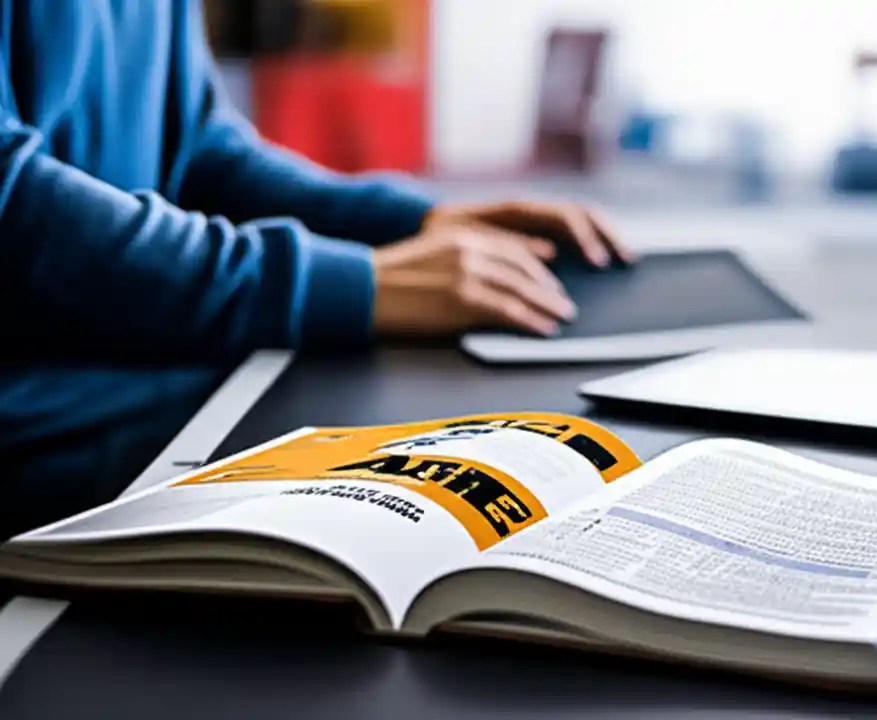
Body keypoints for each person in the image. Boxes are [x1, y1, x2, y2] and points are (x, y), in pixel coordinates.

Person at [0, 0, 629, 536]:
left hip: (128, 366)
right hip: (37, 412)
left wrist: (413, 222)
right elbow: (12, 203)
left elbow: (201, 152)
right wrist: (348, 284)